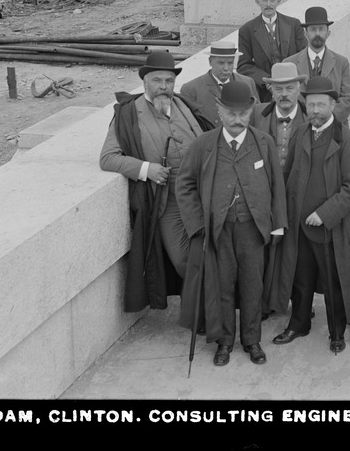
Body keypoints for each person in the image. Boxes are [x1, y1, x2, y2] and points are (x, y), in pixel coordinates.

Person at [176, 81, 288, 367]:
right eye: (231, 113)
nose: (237, 120)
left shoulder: (264, 143)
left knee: (253, 284)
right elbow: (184, 185)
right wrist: (198, 224)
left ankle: (252, 340)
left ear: (251, 112)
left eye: (243, 113)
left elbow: (277, 186)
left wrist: (278, 224)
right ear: (219, 111)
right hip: (218, 230)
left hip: (253, 228)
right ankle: (224, 341)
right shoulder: (204, 145)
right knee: (222, 285)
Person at [271, 77, 350, 354]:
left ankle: (336, 332)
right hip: (299, 225)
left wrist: (324, 213)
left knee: (334, 283)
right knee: (300, 277)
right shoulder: (301, 132)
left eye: (321, 104)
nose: (315, 110)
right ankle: (299, 323)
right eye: (311, 104)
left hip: (330, 228)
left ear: (332, 105)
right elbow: (288, 173)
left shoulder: (348, 141)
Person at [100, 49, 211, 312]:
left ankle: (206, 311)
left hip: (200, 193)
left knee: (210, 251)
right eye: (157, 81)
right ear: (145, 82)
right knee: (183, 258)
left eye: (169, 81)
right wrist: (145, 168)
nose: (163, 87)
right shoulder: (128, 114)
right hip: (167, 200)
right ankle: (201, 306)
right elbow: (108, 158)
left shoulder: (185, 105)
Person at [283, 6, 350, 123]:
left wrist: (325, 121)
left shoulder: (342, 63)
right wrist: (306, 123)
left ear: (328, 33)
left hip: (334, 128)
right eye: (313, 29)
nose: (317, 33)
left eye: (321, 29)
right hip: (299, 129)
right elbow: (284, 98)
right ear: (305, 34)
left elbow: (347, 98)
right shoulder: (289, 64)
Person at [237, 0, 307, 104]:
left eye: (272, 0)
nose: (268, 4)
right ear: (257, 2)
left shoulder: (294, 25)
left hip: (294, 89)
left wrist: (292, 80)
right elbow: (243, 65)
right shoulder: (247, 30)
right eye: (264, 0)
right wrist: (267, 81)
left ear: (278, 1)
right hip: (265, 92)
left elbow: (304, 56)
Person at [179, 41, 258, 128]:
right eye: (221, 63)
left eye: (230, 63)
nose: (226, 68)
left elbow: (257, 116)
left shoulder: (247, 83)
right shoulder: (191, 89)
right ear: (210, 61)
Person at [251, 63, 309, 171]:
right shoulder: (257, 113)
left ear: (298, 90)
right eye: (278, 89)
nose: (284, 94)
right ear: (272, 92)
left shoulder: (310, 116)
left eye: (289, 88)